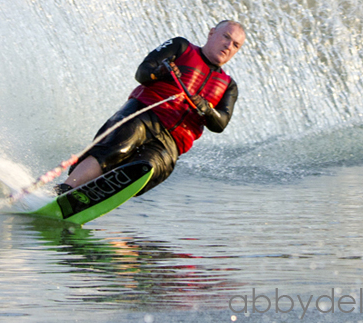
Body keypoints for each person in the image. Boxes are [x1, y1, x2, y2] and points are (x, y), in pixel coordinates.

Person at [60, 20, 245, 196]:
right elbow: (142, 73)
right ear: (212, 33)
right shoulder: (181, 47)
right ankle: (65, 189)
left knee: (144, 170)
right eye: (226, 37)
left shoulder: (229, 86)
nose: (229, 45)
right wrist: (160, 72)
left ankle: (87, 198)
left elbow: (220, 124)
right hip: (144, 113)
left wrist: (206, 108)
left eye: (236, 45)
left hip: (172, 141)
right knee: (118, 148)